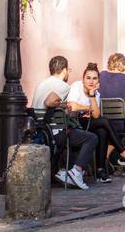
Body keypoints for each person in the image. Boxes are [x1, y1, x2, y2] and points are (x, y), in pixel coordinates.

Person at [31, 55, 97, 190]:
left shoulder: (42, 84)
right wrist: (64, 105)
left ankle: (67, 173)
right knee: (91, 138)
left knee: (76, 136)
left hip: (41, 131)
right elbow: (49, 102)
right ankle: (76, 171)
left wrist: (60, 106)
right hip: (55, 133)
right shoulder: (62, 86)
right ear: (65, 70)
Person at [66, 63, 124, 181]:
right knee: (104, 122)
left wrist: (92, 97)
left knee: (102, 130)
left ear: (98, 81)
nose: (91, 81)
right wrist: (87, 108)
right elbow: (72, 106)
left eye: (94, 78)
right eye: (88, 78)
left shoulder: (96, 93)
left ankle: (100, 171)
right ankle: (123, 151)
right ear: (83, 80)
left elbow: (96, 115)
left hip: (87, 123)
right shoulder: (76, 86)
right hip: (74, 124)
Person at [98, 53, 125, 166]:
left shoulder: (100, 75)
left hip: (102, 118)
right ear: (123, 65)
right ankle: (121, 157)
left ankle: (105, 161)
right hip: (120, 122)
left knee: (110, 132)